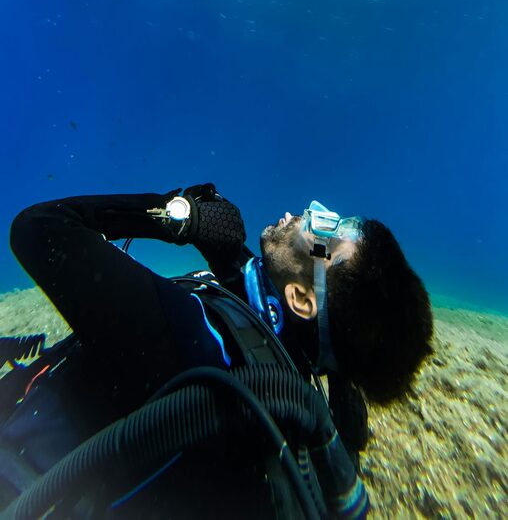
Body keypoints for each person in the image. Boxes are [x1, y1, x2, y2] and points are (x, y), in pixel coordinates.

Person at [0, 184, 433, 519]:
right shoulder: (279, 381)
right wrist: (226, 250)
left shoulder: (191, 339)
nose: (312, 214)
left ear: (301, 299)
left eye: (326, 235)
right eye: (333, 218)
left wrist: (176, 215)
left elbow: (40, 227)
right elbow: (266, 323)